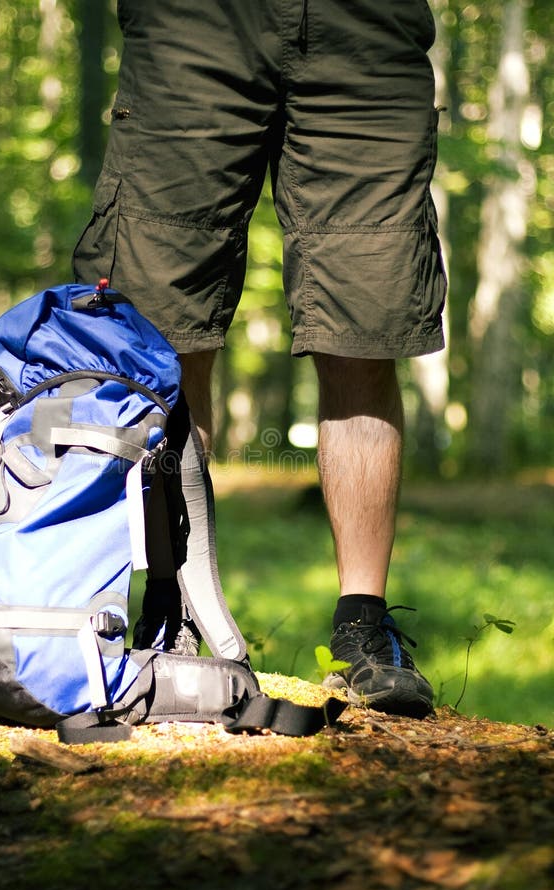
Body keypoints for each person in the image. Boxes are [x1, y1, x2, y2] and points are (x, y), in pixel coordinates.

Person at [72, 0, 447, 718]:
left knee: (364, 331)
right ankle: (170, 611)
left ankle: (364, 633)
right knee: (166, 335)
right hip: (196, 19)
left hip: (366, 24)